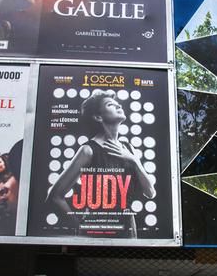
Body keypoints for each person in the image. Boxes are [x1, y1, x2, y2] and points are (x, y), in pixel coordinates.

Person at [45, 89, 154, 239]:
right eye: (110, 104)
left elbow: (150, 193)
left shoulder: (129, 148)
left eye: (118, 104)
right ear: (98, 116)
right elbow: (55, 196)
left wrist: (133, 159)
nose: (119, 106)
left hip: (128, 230)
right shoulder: (88, 150)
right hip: (97, 231)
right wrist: (79, 226)